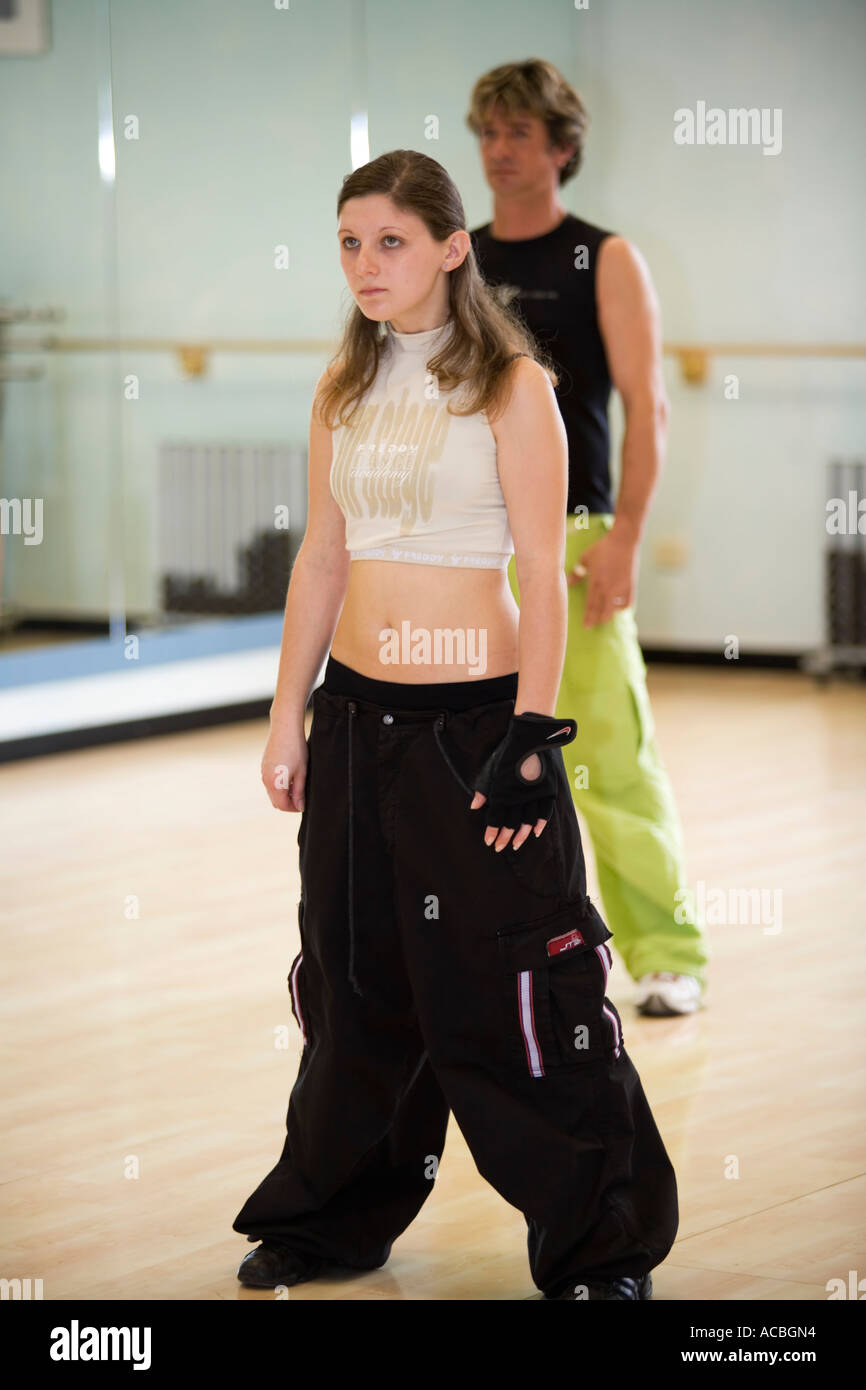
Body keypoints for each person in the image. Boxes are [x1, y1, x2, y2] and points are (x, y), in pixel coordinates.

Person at [232, 148, 678, 1301]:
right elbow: (320, 558)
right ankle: (331, 1219)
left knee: (517, 989)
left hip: (471, 731)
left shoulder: (511, 385)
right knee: (351, 980)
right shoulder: (341, 387)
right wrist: (290, 716)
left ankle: (599, 1247)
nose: (364, 264)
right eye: (346, 241)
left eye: (388, 240)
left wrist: (530, 736)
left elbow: (541, 568)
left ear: (449, 247)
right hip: (354, 723)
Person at [467, 60, 709, 1016]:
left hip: (577, 537)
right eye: (487, 132)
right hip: (477, 543)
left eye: (518, 133)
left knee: (610, 757)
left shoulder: (604, 257)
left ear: (563, 149)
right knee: (482, 757)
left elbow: (647, 407)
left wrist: (627, 539)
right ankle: (505, 952)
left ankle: (666, 953)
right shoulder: (461, 258)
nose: (497, 151)